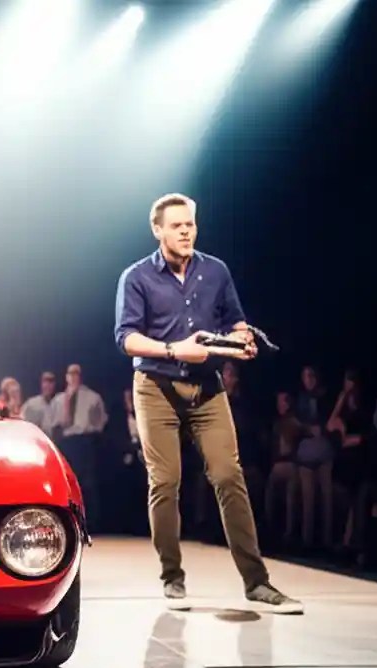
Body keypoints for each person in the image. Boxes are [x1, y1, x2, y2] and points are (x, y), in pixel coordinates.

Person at [114, 192, 300, 612]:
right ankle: (172, 576)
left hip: (206, 387)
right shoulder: (137, 276)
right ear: (157, 229)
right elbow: (126, 338)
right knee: (165, 482)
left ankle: (257, 582)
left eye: (190, 224)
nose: (185, 231)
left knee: (228, 476)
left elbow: (233, 320)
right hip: (156, 386)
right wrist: (175, 349)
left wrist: (241, 339)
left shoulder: (215, 271)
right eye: (176, 225)